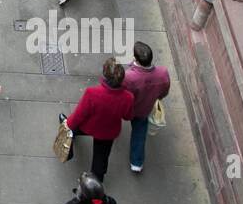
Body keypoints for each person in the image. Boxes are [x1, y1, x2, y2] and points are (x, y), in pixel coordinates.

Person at [61, 58, 135, 181]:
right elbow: (127, 117)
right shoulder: (128, 98)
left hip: (89, 127)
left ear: (105, 74)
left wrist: (68, 124)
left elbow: (80, 115)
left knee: (74, 129)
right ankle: (97, 180)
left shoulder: (92, 93)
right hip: (109, 132)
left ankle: (72, 133)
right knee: (101, 157)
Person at [123, 41, 171, 173]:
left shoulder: (129, 77)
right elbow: (164, 91)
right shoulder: (163, 73)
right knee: (139, 133)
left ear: (136, 59)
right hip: (144, 109)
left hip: (128, 109)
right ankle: (136, 163)